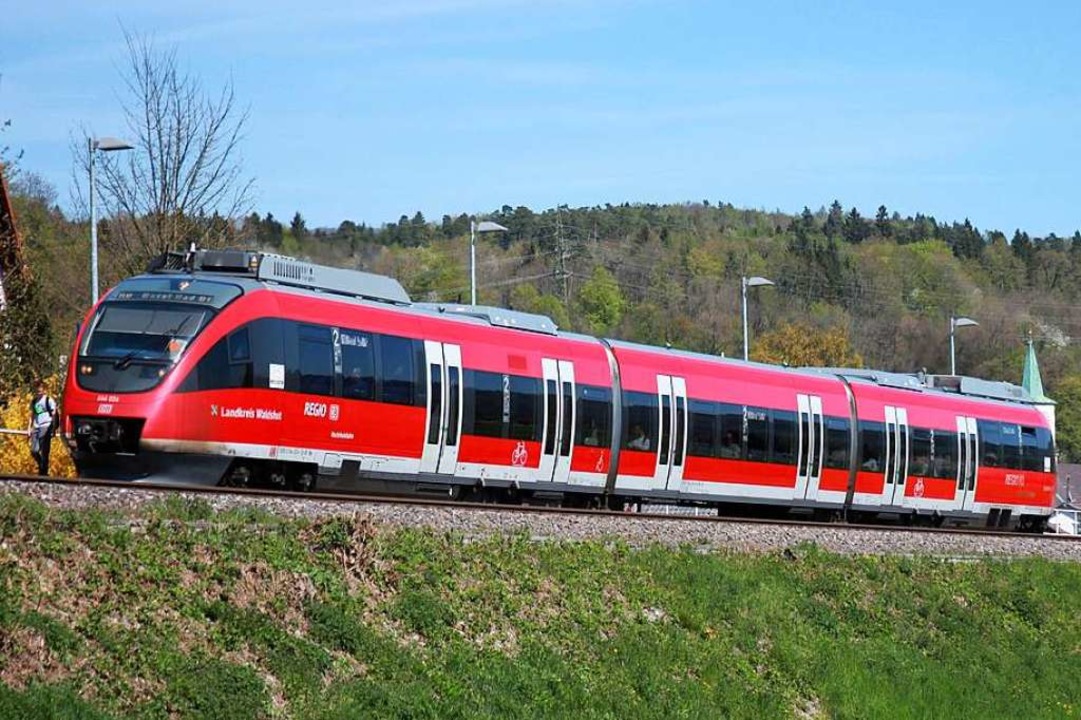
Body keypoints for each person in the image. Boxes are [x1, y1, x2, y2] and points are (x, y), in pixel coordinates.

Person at [27, 380, 58, 476]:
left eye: (41, 388)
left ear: (44, 389)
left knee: (44, 450)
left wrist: (53, 428)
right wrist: (29, 427)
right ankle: (41, 464)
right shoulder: (34, 401)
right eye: (37, 388)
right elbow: (32, 415)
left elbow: (54, 414)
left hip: (46, 426)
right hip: (36, 426)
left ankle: (43, 470)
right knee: (34, 450)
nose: (39, 390)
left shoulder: (48, 400)